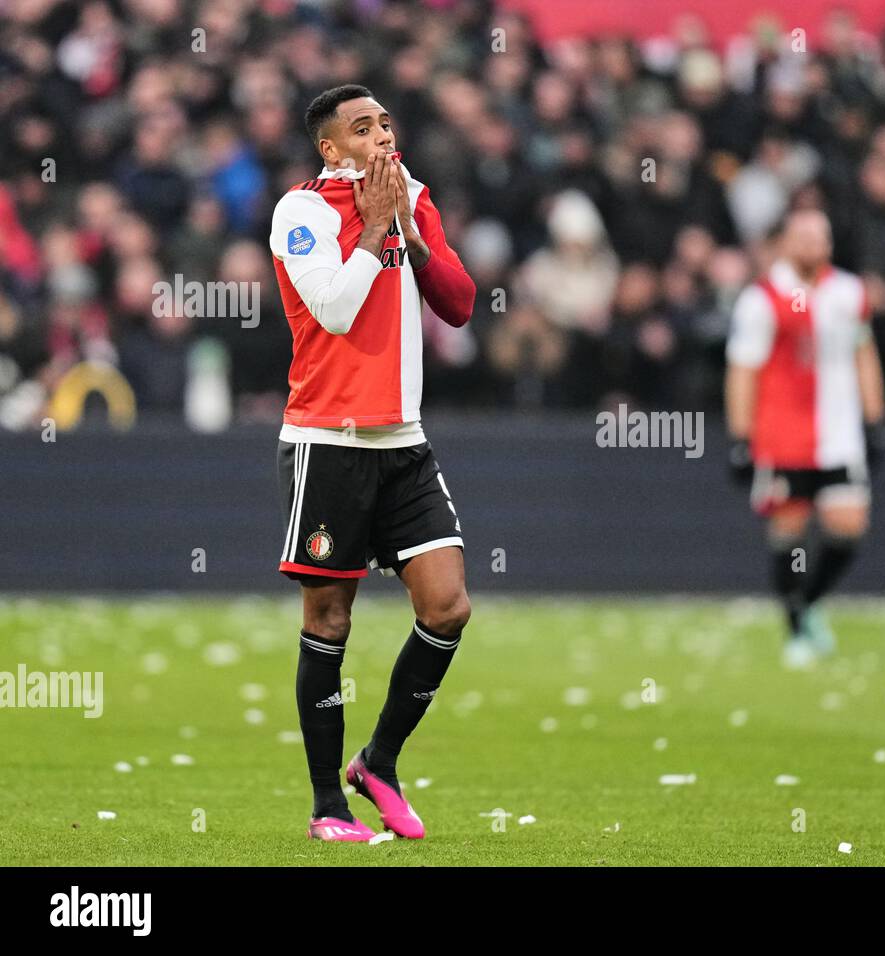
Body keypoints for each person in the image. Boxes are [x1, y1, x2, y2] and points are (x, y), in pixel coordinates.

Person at [267, 85, 476, 841]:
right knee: (330, 618)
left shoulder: (412, 196)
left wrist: (411, 235)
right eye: (363, 128)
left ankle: (378, 762)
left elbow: (457, 303)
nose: (382, 136)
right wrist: (376, 229)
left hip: (404, 442)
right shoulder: (303, 213)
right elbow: (333, 309)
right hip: (330, 443)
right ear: (330, 148)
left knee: (448, 606)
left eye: (386, 122)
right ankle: (328, 803)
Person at [725, 209, 885, 669]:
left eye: (821, 237)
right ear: (786, 243)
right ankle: (796, 627)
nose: (813, 245)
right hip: (783, 437)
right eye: (804, 237)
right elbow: (743, 370)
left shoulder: (849, 293)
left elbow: (864, 353)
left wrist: (875, 419)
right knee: (789, 533)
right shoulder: (764, 298)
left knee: (848, 527)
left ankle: (810, 602)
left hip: (839, 434)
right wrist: (741, 437)